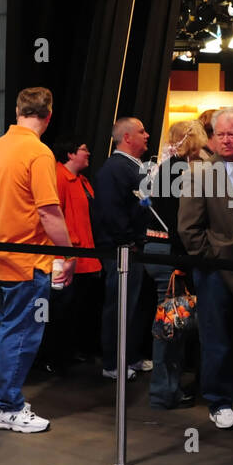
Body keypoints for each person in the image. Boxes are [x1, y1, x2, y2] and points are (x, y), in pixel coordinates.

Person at [0, 87, 74, 433]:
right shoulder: (38, 152)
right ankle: (7, 405)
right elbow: (49, 212)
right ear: (48, 116)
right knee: (21, 333)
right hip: (29, 260)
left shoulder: (0, 146)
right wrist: (69, 254)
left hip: (1, 255)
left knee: (6, 329)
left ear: (18, 110)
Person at [179, 106, 233, 430]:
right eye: (219, 134)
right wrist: (211, 258)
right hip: (214, 271)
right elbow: (188, 228)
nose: (224, 140)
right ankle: (218, 402)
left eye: (231, 134)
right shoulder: (199, 173)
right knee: (216, 338)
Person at [142, 120, 206, 409]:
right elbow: (181, 220)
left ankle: (166, 390)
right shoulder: (180, 170)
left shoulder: (167, 168)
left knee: (171, 325)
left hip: (159, 251)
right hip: (171, 256)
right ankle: (163, 393)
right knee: (170, 328)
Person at [93, 117, 152, 380]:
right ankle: (112, 363)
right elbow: (110, 210)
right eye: (141, 131)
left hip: (132, 247)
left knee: (133, 305)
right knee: (119, 305)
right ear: (127, 137)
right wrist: (127, 240)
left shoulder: (132, 167)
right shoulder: (114, 169)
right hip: (121, 250)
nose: (147, 135)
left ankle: (131, 357)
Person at [38, 135, 102, 372]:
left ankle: (64, 353)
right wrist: (64, 255)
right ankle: (51, 357)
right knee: (56, 309)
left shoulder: (82, 180)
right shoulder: (59, 179)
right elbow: (52, 218)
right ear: (71, 154)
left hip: (83, 256)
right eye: (84, 148)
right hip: (63, 258)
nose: (88, 153)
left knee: (72, 309)